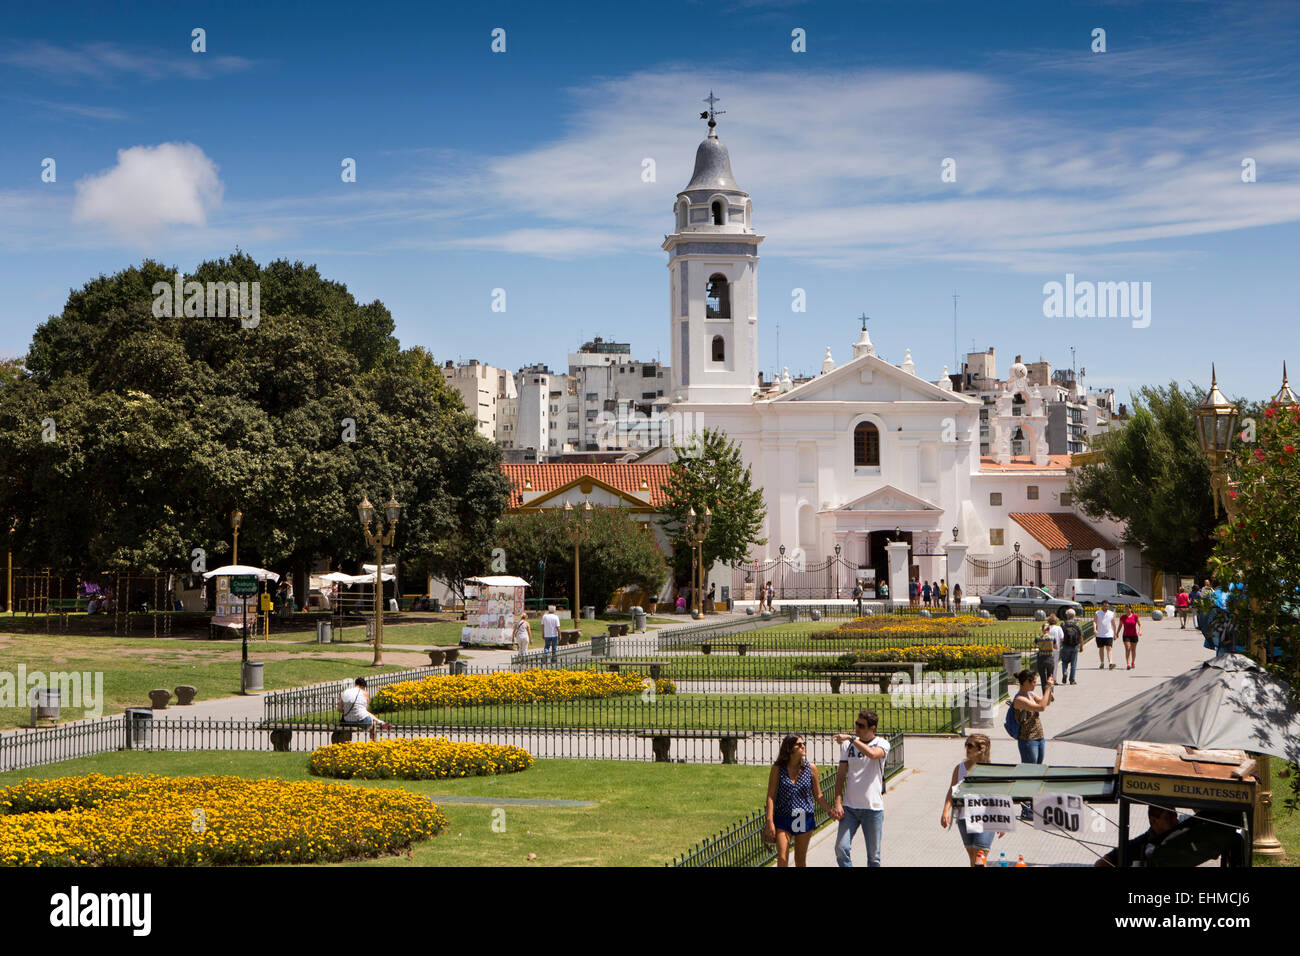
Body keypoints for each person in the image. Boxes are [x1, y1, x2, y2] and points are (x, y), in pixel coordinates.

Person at [765, 734, 834, 867]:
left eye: (804, 744)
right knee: (782, 857)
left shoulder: (810, 768)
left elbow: (818, 795)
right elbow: (771, 796)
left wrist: (830, 811)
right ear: (790, 749)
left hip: (802, 816)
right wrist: (769, 820)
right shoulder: (778, 769)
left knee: (800, 859)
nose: (803, 746)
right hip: (783, 816)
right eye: (799, 744)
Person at [832, 709, 890, 867]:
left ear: (872, 728)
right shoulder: (847, 746)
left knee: (874, 857)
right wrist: (837, 801)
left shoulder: (882, 743)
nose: (857, 728)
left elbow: (872, 754)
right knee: (841, 848)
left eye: (861, 726)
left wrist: (851, 738)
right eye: (856, 724)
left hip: (872, 808)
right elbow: (841, 774)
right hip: (850, 807)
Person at [941, 734, 1002, 866]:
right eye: (966, 744)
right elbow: (952, 790)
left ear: (981, 749)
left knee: (980, 858)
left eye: (970, 745)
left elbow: (998, 796)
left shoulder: (991, 770)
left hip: (986, 819)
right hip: (964, 818)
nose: (966, 748)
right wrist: (946, 810)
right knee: (973, 858)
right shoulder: (960, 768)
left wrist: (1002, 821)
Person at [1012, 669, 1053, 818]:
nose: (1035, 684)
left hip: (1039, 737)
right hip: (1028, 740)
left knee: (1036, 774)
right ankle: (1026, 808)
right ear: (1026, 682)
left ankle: (1033, 805)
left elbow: (1045, 703)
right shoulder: (1019, 700)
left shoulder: (1030, 694)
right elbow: (1040, 707)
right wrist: (1047, 688)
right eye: (1034, 682)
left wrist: (1050, 689)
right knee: (1029, 774)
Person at [1095, 806, 1181, 867]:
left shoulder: (1183, 837)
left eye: (1175, 816)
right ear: (1153, 821)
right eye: (1169, 817)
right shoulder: (1137, 846)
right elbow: (1101, 863)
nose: (1176, 821)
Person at [1036, 619, 1060, 695]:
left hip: (1041, 658)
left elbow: (1035, 644)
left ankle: (1044, 694)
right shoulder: (1052, 638)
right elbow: (1056, 647)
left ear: (1042, 630)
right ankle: (1050, 691)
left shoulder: (1038, 638)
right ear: (1048, 629)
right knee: (1050, 676)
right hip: (1049, 658)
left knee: (1043, 678)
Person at [1059, 609, 1083, 685]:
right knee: (1073, 663)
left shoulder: (1063, 624)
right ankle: (1072, 680)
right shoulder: (1077, 624)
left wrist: (1061, 644)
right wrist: (1081, 646)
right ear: (1074, 615)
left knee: (1064, 662)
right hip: (1075, 645)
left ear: (1067, 615)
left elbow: (1061, 636)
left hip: (1066, 645)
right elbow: (1081, 636)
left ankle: (1065, 672)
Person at [1094, 600, 1116, 669]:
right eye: (1104, 605)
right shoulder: (1097, 613)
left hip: (1109, 634)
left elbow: (1114, 624)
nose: (1106, 607)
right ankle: (1102, 663)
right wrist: (1095, 629)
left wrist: (1115, 633)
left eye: (1107, 606)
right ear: (1102, 606)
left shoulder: (1111, 613)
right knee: (1101, 649)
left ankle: (1110, 663)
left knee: (1109, 648)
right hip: (1100, 634)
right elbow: (1094, 622)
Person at [1120, 604, 1142, 669]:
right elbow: (1120, 626)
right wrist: (1117, 633)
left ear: (1131, 609)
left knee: (1133, 650)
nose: (1127, 610)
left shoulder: (1135, 616)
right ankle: (1128, 664)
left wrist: (1140, 631)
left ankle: (1133, 662)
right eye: (1126, 609)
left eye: (1128, 609)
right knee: (1128, 648)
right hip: (1126, 635)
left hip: (1134, 635)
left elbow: (1140, 624)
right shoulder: (1123, 617)